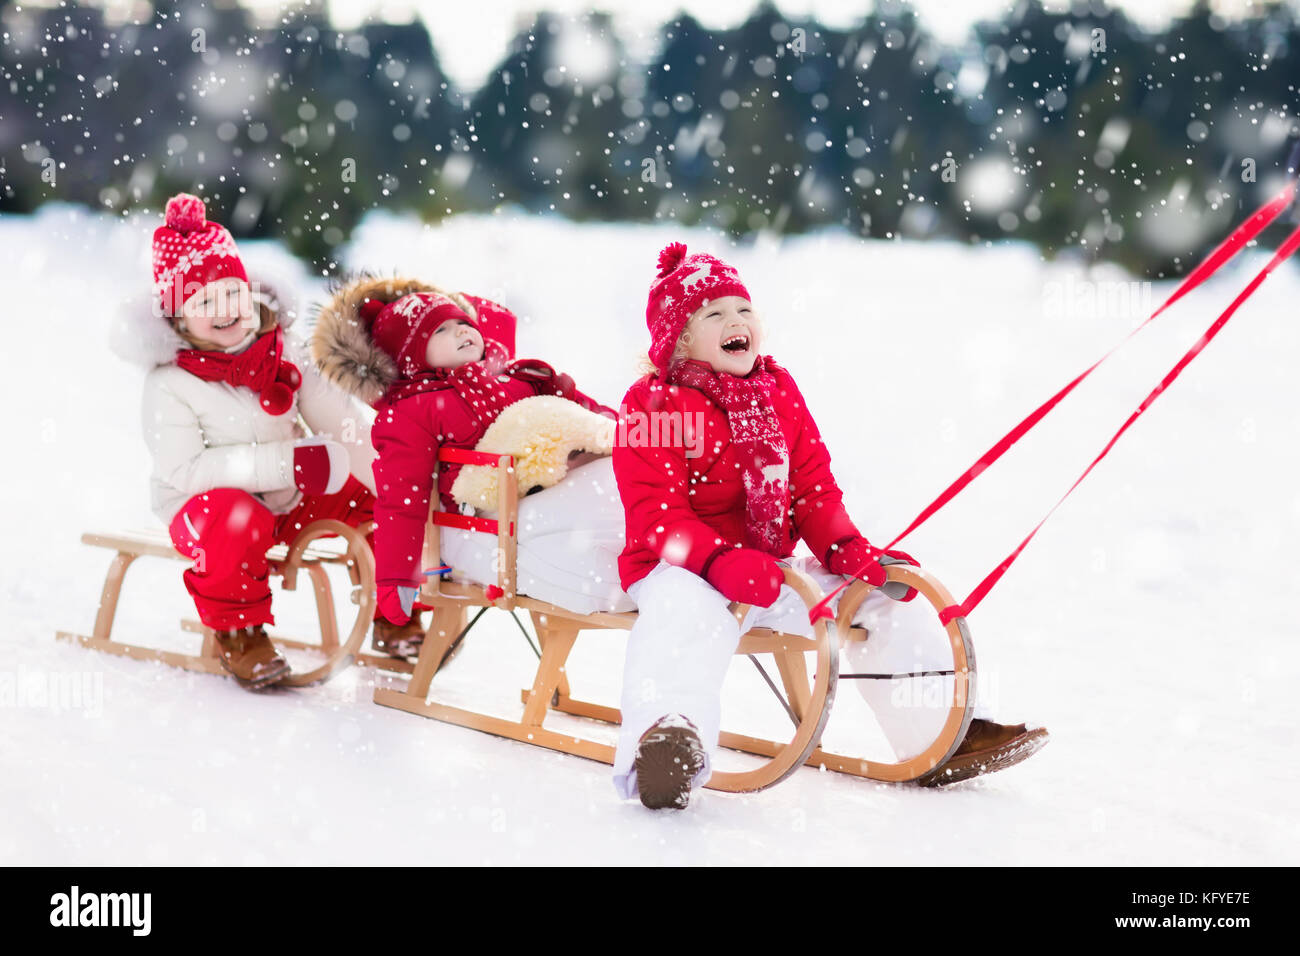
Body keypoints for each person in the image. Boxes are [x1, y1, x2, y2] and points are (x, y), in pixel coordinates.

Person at [611, 242, 1049, 809]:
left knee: (884, 597)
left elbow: (813, 490)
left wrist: (847, 548)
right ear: (679, 340)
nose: (736, 322)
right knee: (682, 613)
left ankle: (943, 732)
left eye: (744, 310)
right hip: (680, 568)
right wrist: (718, 561)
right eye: (714, 314)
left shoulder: (778, 394)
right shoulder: (651, 405)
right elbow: (656, 517)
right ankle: (669, 738)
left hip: (771, 573)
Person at [118, 193, 377, 689]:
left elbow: (339, 422)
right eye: (202, 302)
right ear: (176, 319)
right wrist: (288, 464)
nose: (225, 309)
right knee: (238, 516)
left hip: (288, 498)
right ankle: (241, 635)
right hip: (202, 510)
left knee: (369, 494)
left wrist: (393, 476)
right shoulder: (169, 383)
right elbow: (185, 472)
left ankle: (394, 606)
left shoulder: (285, 352)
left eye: (231, 292)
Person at [311, 276, 626, 651]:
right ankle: (624, 572)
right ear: (411, 356)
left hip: (553, 492)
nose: (460, 331)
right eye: (440, 330)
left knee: (618, 477)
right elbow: (402, 499)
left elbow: (590, 417)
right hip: (479, 520)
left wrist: (625, 434)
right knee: (596, 502)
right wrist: (398, 580)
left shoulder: (520, 378)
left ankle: (655, 552)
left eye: (463, 322)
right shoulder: (413, 411)